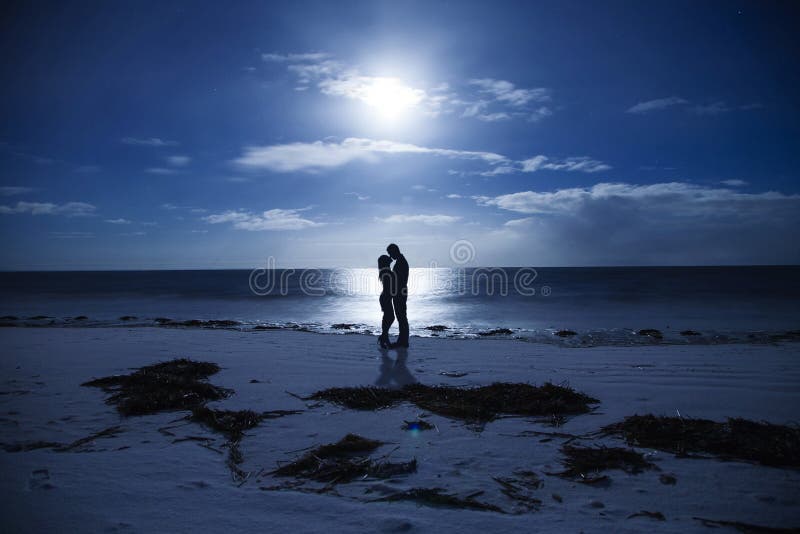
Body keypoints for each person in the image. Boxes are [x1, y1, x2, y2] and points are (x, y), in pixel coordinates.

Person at [386, 243, 409, 348]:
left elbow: (398, 280)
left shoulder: (401, 263)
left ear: (395, 251)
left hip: (400, 292)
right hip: (400, 292)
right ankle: (403, 340)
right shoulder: (401, 261)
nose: (390, 256)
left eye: (390, 253)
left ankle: (403, 341)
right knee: (401, 317)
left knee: (402, 317)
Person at [377, 254, 396, 349]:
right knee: (390, 317)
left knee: (387, 318)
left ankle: (384, 338)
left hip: (385, 297)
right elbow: (389, 286)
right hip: (386, 297)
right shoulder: (386, 272)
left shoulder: (384, 271)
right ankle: (384, 337)